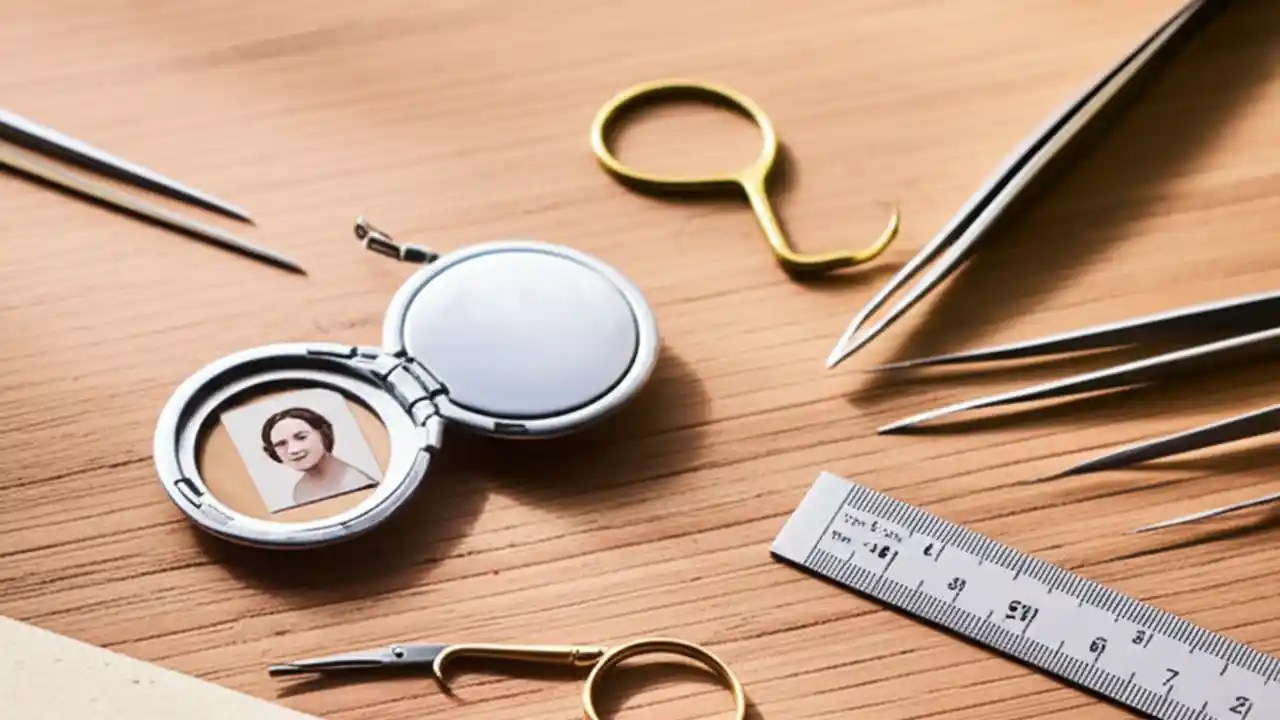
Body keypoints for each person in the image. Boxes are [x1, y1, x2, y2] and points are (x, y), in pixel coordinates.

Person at [260, 407, 377, 508]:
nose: (293, 450)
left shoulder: (356, 483)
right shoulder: (301, 490)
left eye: (301, 437)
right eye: (281, 444)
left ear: (323, 434)